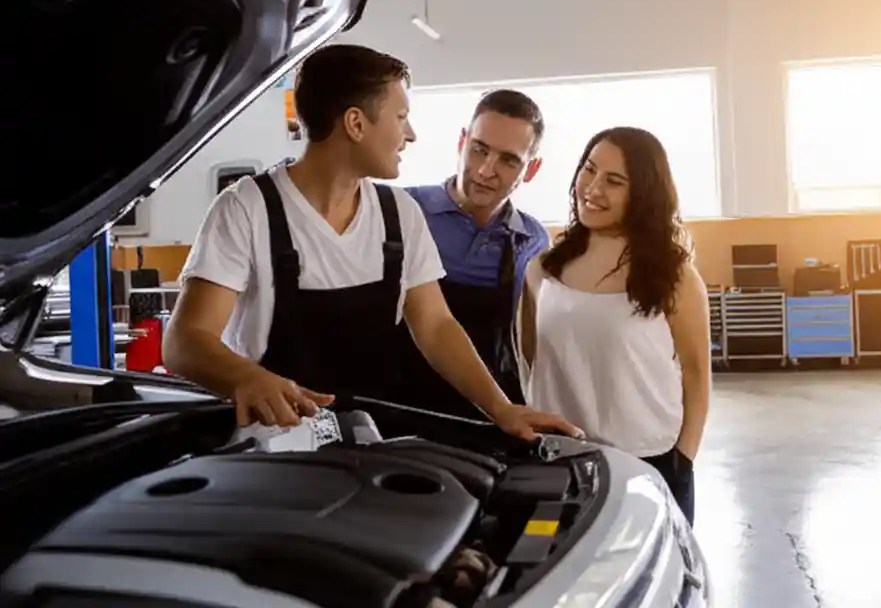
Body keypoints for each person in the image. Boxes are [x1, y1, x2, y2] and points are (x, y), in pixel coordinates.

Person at [163, 44, 579, 442]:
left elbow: (435, 326)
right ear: (356, 124)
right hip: (274, 449)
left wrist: (501, 408)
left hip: (373, 444)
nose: (410, 134)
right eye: (401, 117)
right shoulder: (246, 208)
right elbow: (185, 343)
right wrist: (246, 378)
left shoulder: (399, 213)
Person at [521, 127, 712, 524]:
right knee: (556, 571)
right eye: (588, 171)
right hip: (559, 460)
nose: (592, 188)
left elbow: (696, 371)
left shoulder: (674, 275)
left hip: (649, 458)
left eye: (614, 181)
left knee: (649, 580)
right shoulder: (544, 268)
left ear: (643, 193)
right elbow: (528, 356)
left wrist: (683, 459)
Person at [403, 90, 550, 419]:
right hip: (394, 409)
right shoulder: (402, 209)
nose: (485, 171)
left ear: (531, 169)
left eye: (509, 161)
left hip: (484, 418)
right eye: (479, 150)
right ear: (462, 142)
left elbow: (529, 347)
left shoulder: (532, 241)